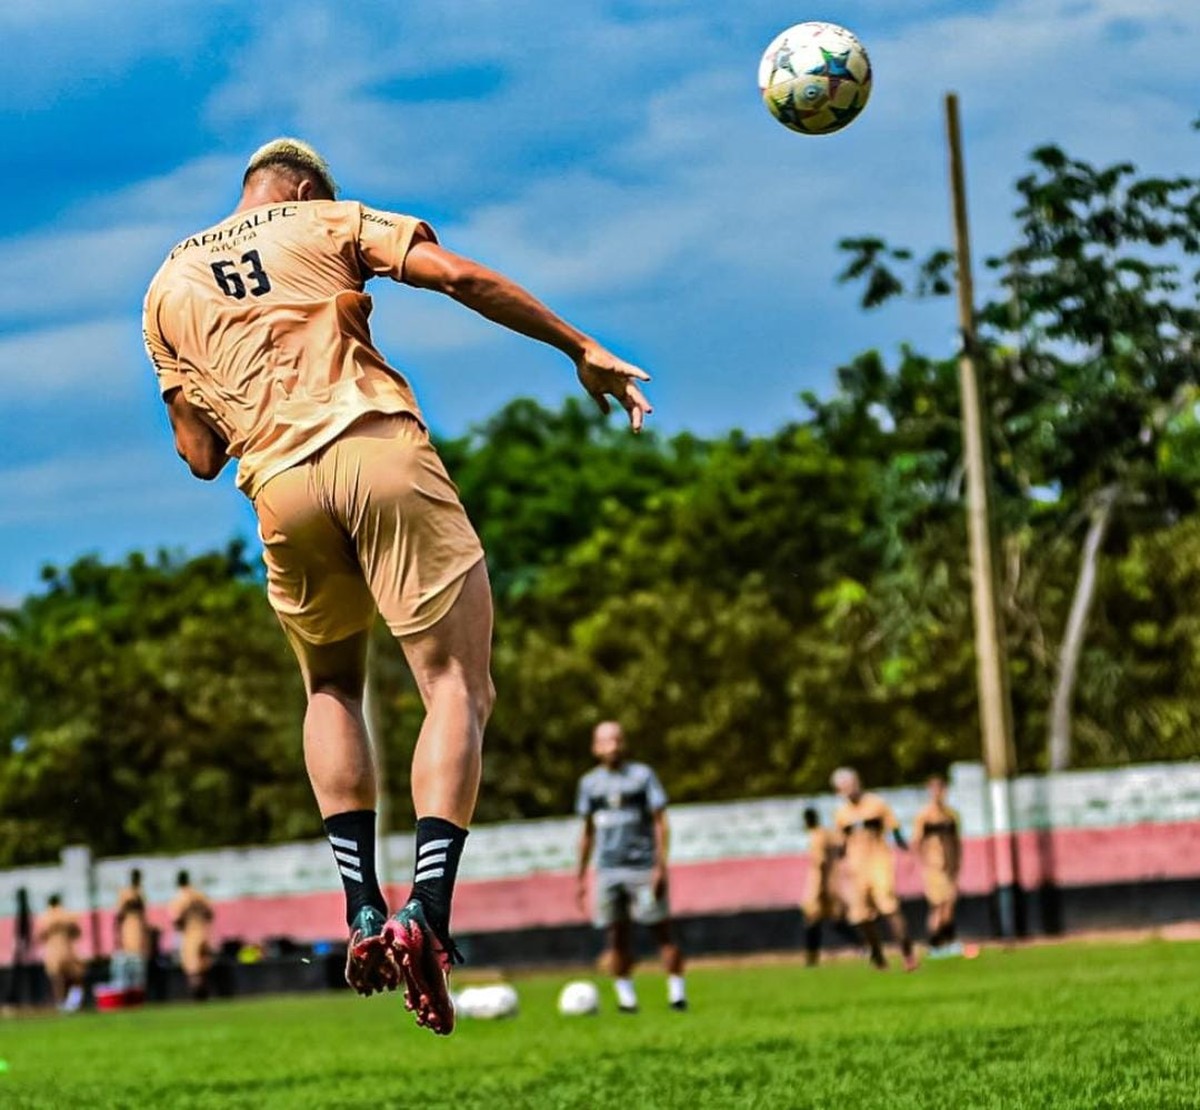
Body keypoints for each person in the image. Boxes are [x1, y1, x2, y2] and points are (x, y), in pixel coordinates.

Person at [142, 138, 652, 1036]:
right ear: (300, 188)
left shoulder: (165, 286)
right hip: (374, 447)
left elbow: (197, 456)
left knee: (332, 686)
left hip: (279, 493)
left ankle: (363, 910)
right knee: (455, 684)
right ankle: (429, 908)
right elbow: (453, 276)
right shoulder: (327, 217)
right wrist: (580, 346)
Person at [574, 721, 686, 1013]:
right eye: (606, 741)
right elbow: (587, 832)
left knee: (660, 929)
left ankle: (677, 995)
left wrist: (660, 866)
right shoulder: (590, 784)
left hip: (643, 867)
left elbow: (661, 822)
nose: (613, 746)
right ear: (595, 747)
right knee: (616, 935)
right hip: (609, 870)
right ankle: (627, 999)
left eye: (618, 739)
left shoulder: (642, 776)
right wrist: (581, 875)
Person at [831, 767, 918, 972]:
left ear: (858, 783)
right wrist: (839, 873)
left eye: (850, 784)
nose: (848, 790)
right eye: (843, 787)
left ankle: (908, 954)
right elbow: (840, 847)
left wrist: (906, 853)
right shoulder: (841, 815)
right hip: (856, 869)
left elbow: (895, 830)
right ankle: (877, 955)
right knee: (861, 916)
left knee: (889, 907)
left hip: (879, 863)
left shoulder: (876, 804)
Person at [913, 775, 963, 956]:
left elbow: (956, 841)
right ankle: (935, 943)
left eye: (941, 789)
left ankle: (947, 941)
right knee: (938, 905)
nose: (938, 793)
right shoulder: (924, 816)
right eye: (934, 789)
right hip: (934, 867)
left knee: (949, 905)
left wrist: (957, 863)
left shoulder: (951, 815)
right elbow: (917, 842)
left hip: (950, 868)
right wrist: (922, 863)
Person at [799, 807, 845, 966]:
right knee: (837, 920)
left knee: (812, 920)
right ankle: (866, 948)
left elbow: (820, 862)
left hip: (820, 884)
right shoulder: (828, 834)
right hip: (835, 881)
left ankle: (811, 957)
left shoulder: (816, 837)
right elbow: (841, 849)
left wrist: (820, 888)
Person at [169, 870, 215, 1000]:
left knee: (193, 969)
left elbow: (176, 920)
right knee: (203, 965)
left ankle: (197, 996)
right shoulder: (200, 895)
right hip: (204, 933)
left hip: (190, 935)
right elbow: (210, 914)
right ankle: (205, 994)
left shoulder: (180, 898)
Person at [37, 895, 85, 1012]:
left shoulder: (45, 917)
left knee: (57, 980)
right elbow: (77, 933)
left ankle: (61, 1004)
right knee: (76, 978)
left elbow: (41, 936)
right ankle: (73, 1003)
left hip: (53, 950)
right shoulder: (67, 915)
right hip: (67, 949)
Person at [113, 868, 150, 991]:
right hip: (128, 928)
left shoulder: (140, 893)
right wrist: (117, 935)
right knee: (131, 958)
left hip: (139, 928)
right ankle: (130, 989)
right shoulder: (126, 894)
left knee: (139, 959)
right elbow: (119, 915)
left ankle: (139, 989)